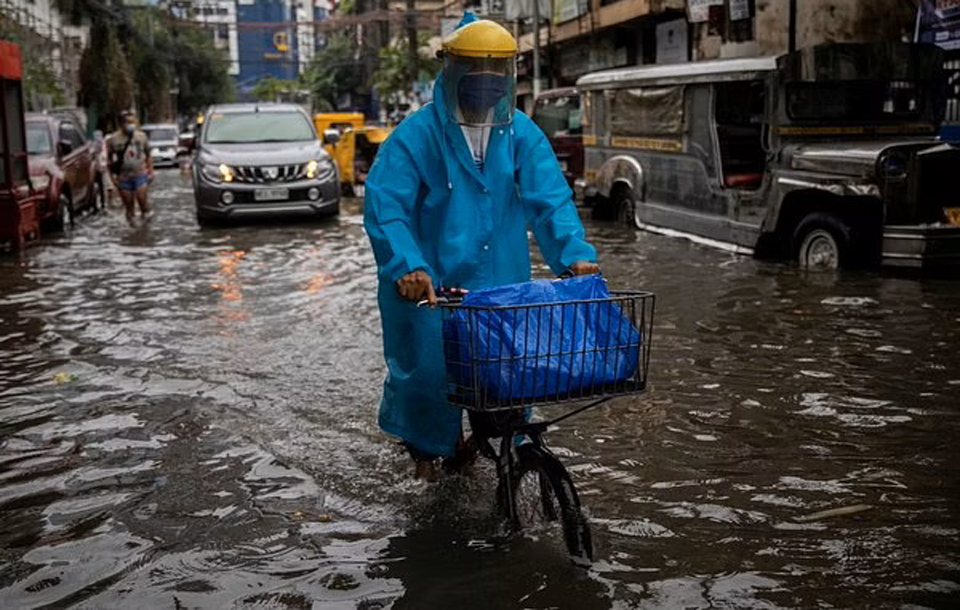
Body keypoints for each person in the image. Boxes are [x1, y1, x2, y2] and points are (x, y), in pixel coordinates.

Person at [363, 12, 599, 481]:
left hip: (500, 290)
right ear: (450, 69)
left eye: (497, 71)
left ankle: (490, 455)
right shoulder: (416, 135)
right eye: (475, 69)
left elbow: (550, 199)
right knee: (430, 388)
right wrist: (407, 265)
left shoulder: (520, 133)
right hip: (432, 289)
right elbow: (387, 208)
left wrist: (575, 254)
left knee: (508, 389)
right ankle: (427, 470)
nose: (486, 82)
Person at [108, 111, 153, 226]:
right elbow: (109, 160)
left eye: (133, 122)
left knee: (142, 198)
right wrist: (112, 177)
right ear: (121, 124)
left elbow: (148, 155)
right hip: (124, 176)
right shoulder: (113, 139)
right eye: (128, 122)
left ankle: (146, 223)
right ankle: (132, 228)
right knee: (129, 205)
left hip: (140, 173)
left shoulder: (141, 136)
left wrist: (150, 171)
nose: (131, 124)